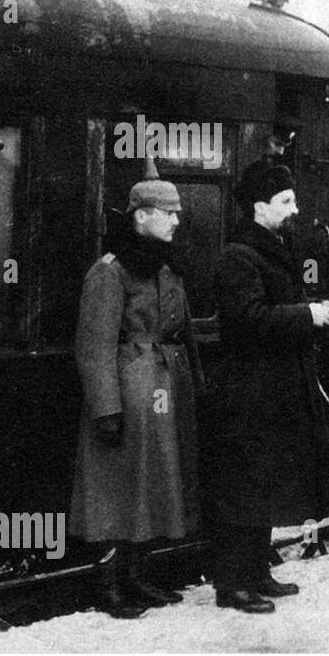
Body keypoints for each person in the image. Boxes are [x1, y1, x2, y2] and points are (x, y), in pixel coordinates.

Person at [204, 163, 329, 614]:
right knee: (243, 486)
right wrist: (307, 316)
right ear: (260, 207)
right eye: (286, 202)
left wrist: (311, 311)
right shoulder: (239, 257)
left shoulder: (269, 248)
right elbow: (248, 320)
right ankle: (232, 584)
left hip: (270, 388)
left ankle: (256, 572)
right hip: (248, 392)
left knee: (261, 483)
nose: (295, 209)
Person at [69, 171, 202, 619]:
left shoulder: (166, 267)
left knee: (153, 487)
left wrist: (194, 384)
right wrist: (106, 408)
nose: (176, 222)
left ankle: (137, 577)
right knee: (116, 491)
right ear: (141, 216)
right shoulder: (109, 271)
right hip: (126, 398)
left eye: (176, 214)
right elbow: (93, 346)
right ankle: (109, 585)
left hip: (163, 395)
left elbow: (183, 334)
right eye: (168, 214)